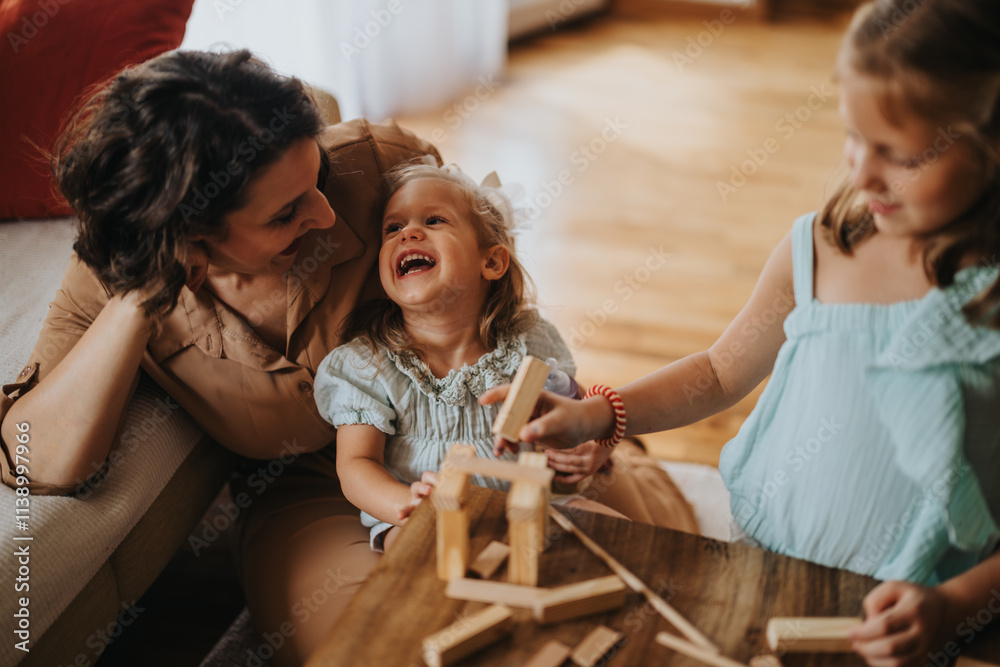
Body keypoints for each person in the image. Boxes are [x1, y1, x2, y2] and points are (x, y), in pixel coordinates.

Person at [0, 49, 695, 665]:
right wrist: (140, 300)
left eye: (319, 179)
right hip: (314, 491)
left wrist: (570, 426)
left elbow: (491, 302)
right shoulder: (121, 278)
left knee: (642, 596)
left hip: (491, 449)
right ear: (190, 238)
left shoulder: (379, 162)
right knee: (385, 643)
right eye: (285, 215)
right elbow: (40, 457)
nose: (329, 215)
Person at [482, 1, 1000, 663]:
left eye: (897, 154)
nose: (862, 172)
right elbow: (720, 371)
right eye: (854, 136)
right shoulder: (821, 244)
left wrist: (956, 606)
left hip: (910, 616)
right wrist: (595, 415)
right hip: (764, 560)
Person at [314, 163, 624, 553]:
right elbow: (356, 464)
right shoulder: (368, 364)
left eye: (434, 220)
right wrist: (404, 503)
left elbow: (573, 407)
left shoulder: (528, 340)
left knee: (613, 530)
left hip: (530, 506)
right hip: (426, 517)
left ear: (491, 262)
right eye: (392, 229)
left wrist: (589, 448)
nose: (408, 232)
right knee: (420, 552)